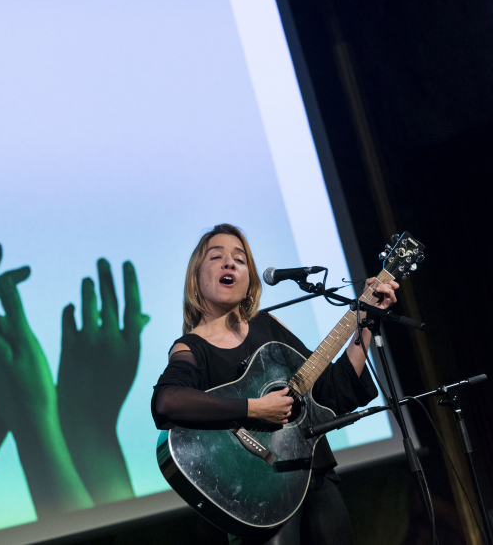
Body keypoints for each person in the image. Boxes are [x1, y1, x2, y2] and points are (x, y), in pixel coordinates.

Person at [151, 224, 398, 545]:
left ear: (249, 281)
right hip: (257, 495)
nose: (230, 264)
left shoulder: (269, 326)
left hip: (314, 476)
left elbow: (329, 390)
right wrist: (254, 408)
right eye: (217, 257)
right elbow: (168, 401)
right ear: (196, 279)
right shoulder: (190, 348)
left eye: (240, 260)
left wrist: (367, 320)